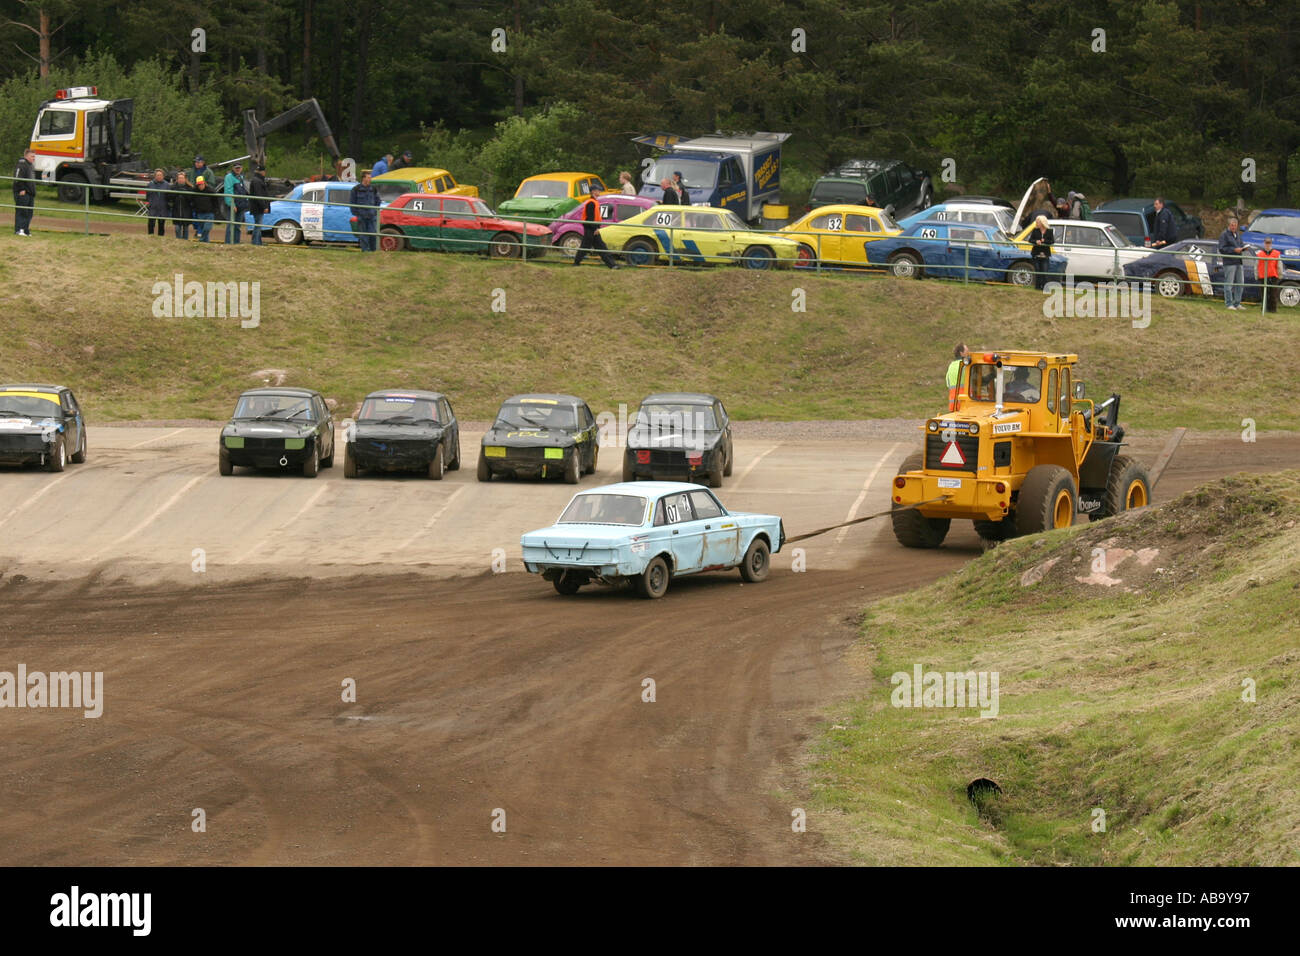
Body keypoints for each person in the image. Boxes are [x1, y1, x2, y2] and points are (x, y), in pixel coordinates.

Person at [572, 184, 618, 269]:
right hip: (591, 229)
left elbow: (594, 218)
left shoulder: (594, 202)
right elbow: (590, 218)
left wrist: (596, 228)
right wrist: (595, 228)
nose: (599, 192)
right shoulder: (591, 203)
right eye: (598, 190)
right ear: (593, 192)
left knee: (597, 247)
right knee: (594, 247)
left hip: (592, 229)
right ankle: (612, 265)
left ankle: (612, 265)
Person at [1217, 216, 1245, 310]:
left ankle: (1237, 303)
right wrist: (1233, 250)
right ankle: (1229, 303)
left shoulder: (1237, 235)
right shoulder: (1224, 235)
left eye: (1235, 225)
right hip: (1229, 262)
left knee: (1240, 283)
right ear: (1229, 225)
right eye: (1232, 225)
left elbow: (1241, 244)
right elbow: (1222, 248)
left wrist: (1243, 248)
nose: (1233, 227)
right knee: (1229, 283)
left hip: (1238, 261)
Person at [349, 171, 381, 252]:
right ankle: (365, 251)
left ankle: (373, 250)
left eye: (370, 177)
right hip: (362, 216)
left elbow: (378, 200)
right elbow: (352, 203)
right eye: (369, 177)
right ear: (364, 178)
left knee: (373, 233)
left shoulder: (373, 189)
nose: (370, 179)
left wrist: (375, 211)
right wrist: (357, 214)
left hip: (371, 215)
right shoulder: (356, 189)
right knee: (363, 234)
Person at [12, 148, 37, 236]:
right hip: (23, 192)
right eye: (32, 156)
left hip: (30, 193)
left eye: (34, 156)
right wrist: (21, 189)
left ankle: (25, 230)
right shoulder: (21, 164)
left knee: (29, 212)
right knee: (22, 211)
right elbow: (17, 178)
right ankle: (19, 229)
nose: (34, 158)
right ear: (26, 156)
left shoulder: (31, 165)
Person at [222, 162, 247, 244]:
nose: (238, 169)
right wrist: (232, 204)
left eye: (239, 168)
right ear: (233, 168)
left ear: (241, 168)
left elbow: (243, 191)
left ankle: (236, 243)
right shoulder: (229, 177)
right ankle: (228, 243)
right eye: (236, 168)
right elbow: (228, 191)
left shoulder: (241, 177)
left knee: (238, 226)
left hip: (241, 206)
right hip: (233, 206)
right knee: (231, 225)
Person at [1028, 214, 1055, 289]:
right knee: (1038, 271)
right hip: (1036, 253)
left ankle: (1044, 287)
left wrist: (1044, 241)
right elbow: (1030, 240)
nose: (1036, 223)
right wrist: (1036, 241)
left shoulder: (1049, 231)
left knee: (1044, 272)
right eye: (1036, 222)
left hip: (1045, 254)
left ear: (1043, 222)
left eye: (1038, 222)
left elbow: (1052, 241)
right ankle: (1037, 287)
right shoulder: (1035, 230)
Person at [189, 176, 219, 242]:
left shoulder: (210, 191)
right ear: (197, 185)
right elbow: (191, 199)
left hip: (209, 213)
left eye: (202, 184)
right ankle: (206, 243)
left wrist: (215, 210)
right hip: (200, 213)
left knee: (207, 228)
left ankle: (201, 240)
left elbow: (215, 200)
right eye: (199, 184)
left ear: (204, 183)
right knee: (203, 229)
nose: (200, 186)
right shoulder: (194, 191)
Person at [1256, 237, 1282, 313]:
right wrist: (1256, 275)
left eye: (1269, 243)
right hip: (1262, 276)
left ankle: (1273, 309)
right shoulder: (1259, 254)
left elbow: (1279, 265)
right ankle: (1264, 308)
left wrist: (1280, 275)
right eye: (1266, 243)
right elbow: (1256, 265)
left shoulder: (1276, 253)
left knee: (1273, 294)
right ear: (1264, 243)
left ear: (1271, 244)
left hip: (1273, 276)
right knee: (1264, 294)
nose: (1267, 244)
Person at [247, 164, 271, 246]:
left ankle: (258, 242)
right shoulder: (257, 181)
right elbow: (259, 194)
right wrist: (264, 206)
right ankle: (255, 242)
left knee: (258, 225)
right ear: (263, 172)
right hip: (257, 207)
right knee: (258, 225)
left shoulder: (257, 180)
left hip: (257, 206)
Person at [145, 168, 170, 236]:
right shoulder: (150, 184)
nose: (159, 176)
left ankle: (161, 238)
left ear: (163, 176)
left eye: (160, 175)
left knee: (161, 225)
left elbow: (169, 197)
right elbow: (147, 196)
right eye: (157, 175)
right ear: (155, 176)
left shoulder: (167, 185)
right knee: (151, 224)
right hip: (153, 207)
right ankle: (150, 237)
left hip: (162, 208)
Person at [169, 172, 192, 239]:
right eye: (179, 178)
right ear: (177, 179)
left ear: (185, 179)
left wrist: (184, 193)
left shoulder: (189, 188)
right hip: (176, 210)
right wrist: (176, 193)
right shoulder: (173, 187)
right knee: (177, 228)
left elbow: (191, 199)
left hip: (186, 211)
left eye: (182, 178)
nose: (181, 179)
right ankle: (178, 241)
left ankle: (185, 242)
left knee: (186, 228)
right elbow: (170, 198)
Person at [945, 343, 968, 411]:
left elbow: (948, 384)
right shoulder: (966, 365)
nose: (969, 353)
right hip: (966, 405)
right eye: (967, 351)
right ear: (961, 353)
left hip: (954, 405)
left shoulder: (951, 366)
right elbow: (978, 381)